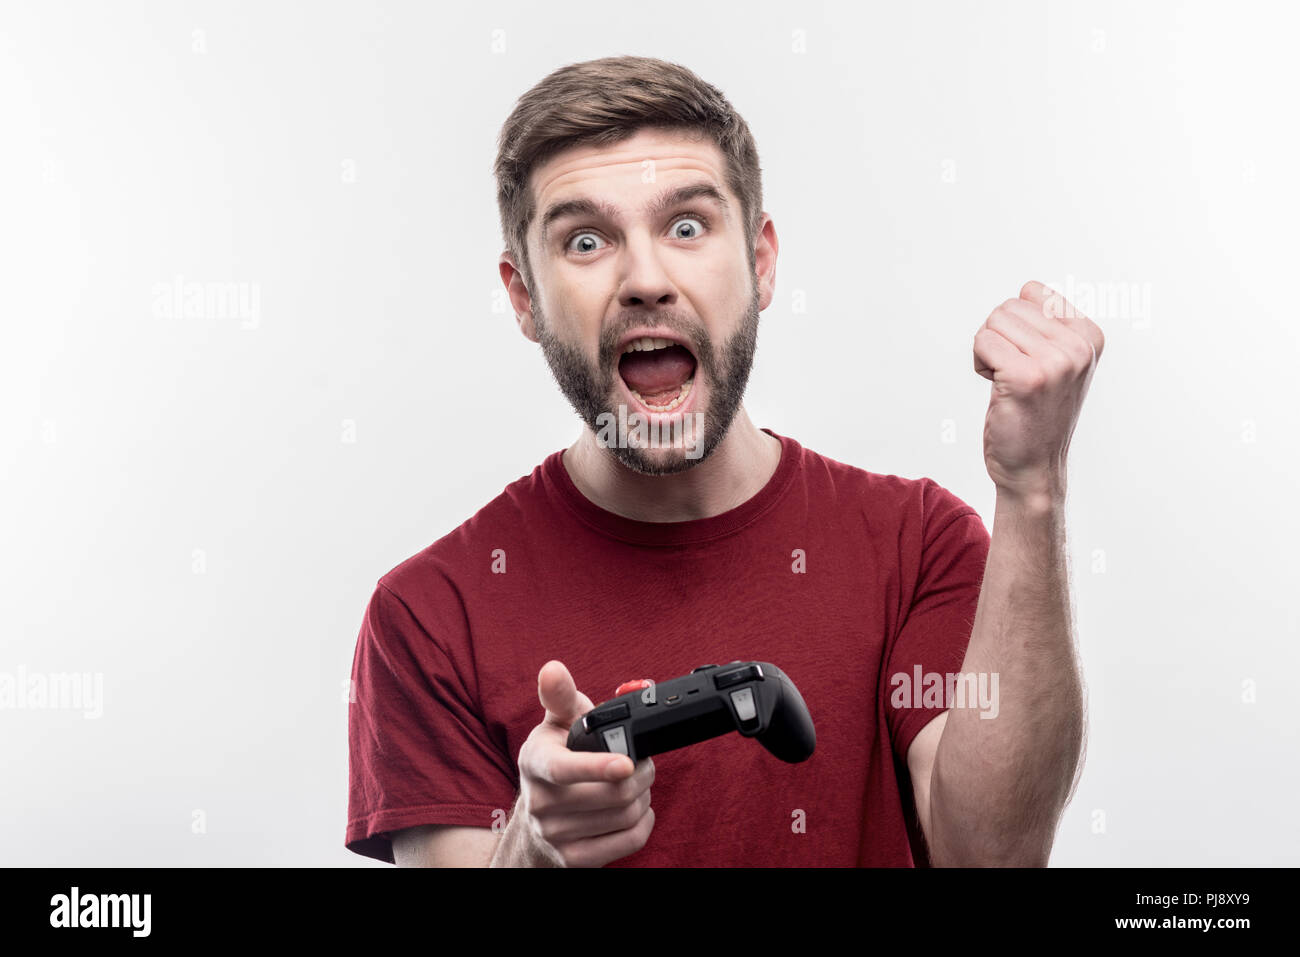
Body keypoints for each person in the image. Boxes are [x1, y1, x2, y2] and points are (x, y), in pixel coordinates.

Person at [345, 55, 1104, 867]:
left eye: (686, 226)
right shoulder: (425, 617)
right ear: (524, 296)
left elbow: (994, 856)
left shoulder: (919, 545)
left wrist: (1032, 490)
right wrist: (529, 850)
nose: (645, 279)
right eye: (587, 239)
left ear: (761, 260)